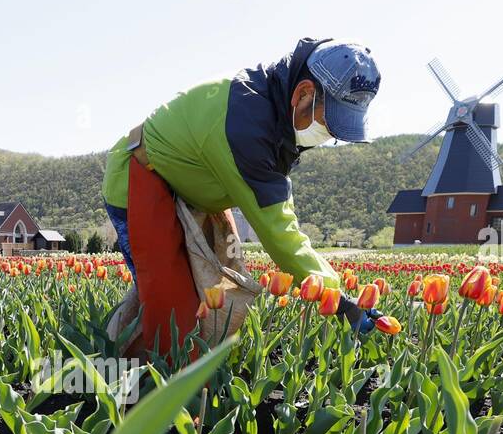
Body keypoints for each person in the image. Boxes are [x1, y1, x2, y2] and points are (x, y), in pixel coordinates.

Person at [102, 38, 382, 353]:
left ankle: (123, 345)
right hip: (140, 180)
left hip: (189, 194)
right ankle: (146, 383)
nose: (329, 136)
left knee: (210, 291)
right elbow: (279, 233)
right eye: (331, 124)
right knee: (170, 304)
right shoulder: (247, 125)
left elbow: (280, 214)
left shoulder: (277, 116)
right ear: (303, 94)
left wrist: (338, 291)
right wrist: (341, 301)